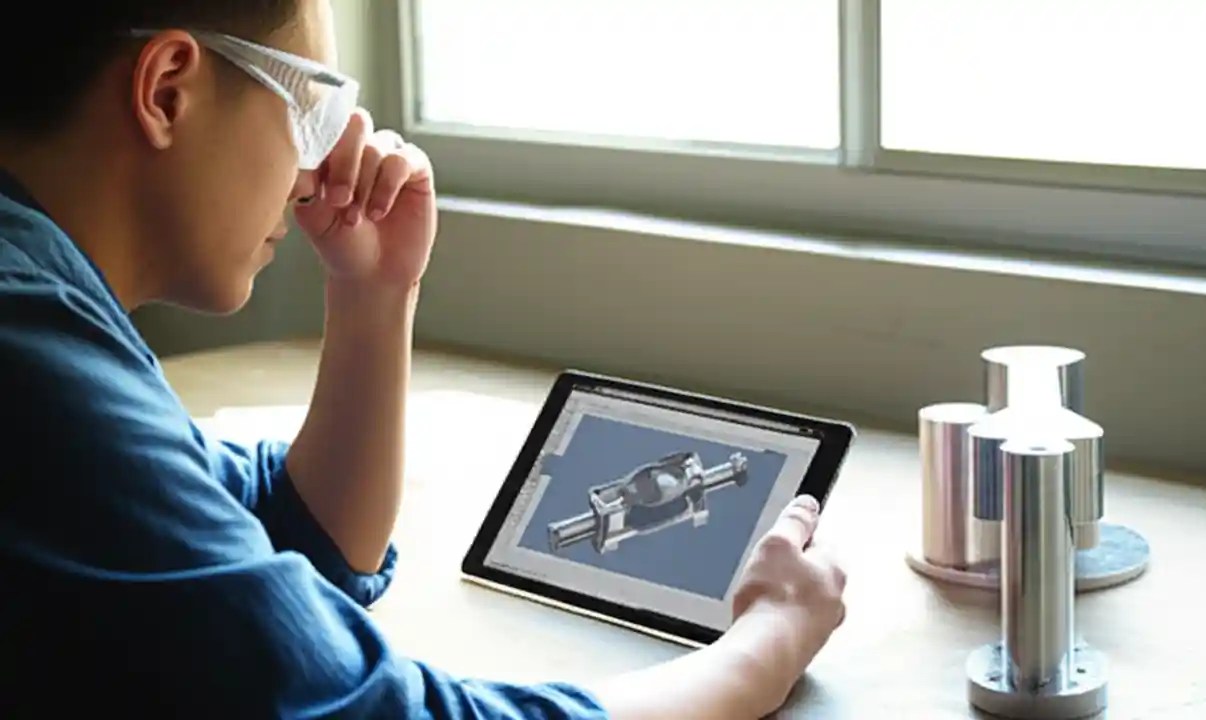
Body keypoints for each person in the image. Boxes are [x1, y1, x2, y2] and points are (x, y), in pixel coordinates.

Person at [0, 1, 847, 717]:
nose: (318, 169)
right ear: (168, 90)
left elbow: (281, 543)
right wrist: (764, 649)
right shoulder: (27, 357)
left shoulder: (47, 310)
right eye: (315, 112)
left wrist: (375, 295)